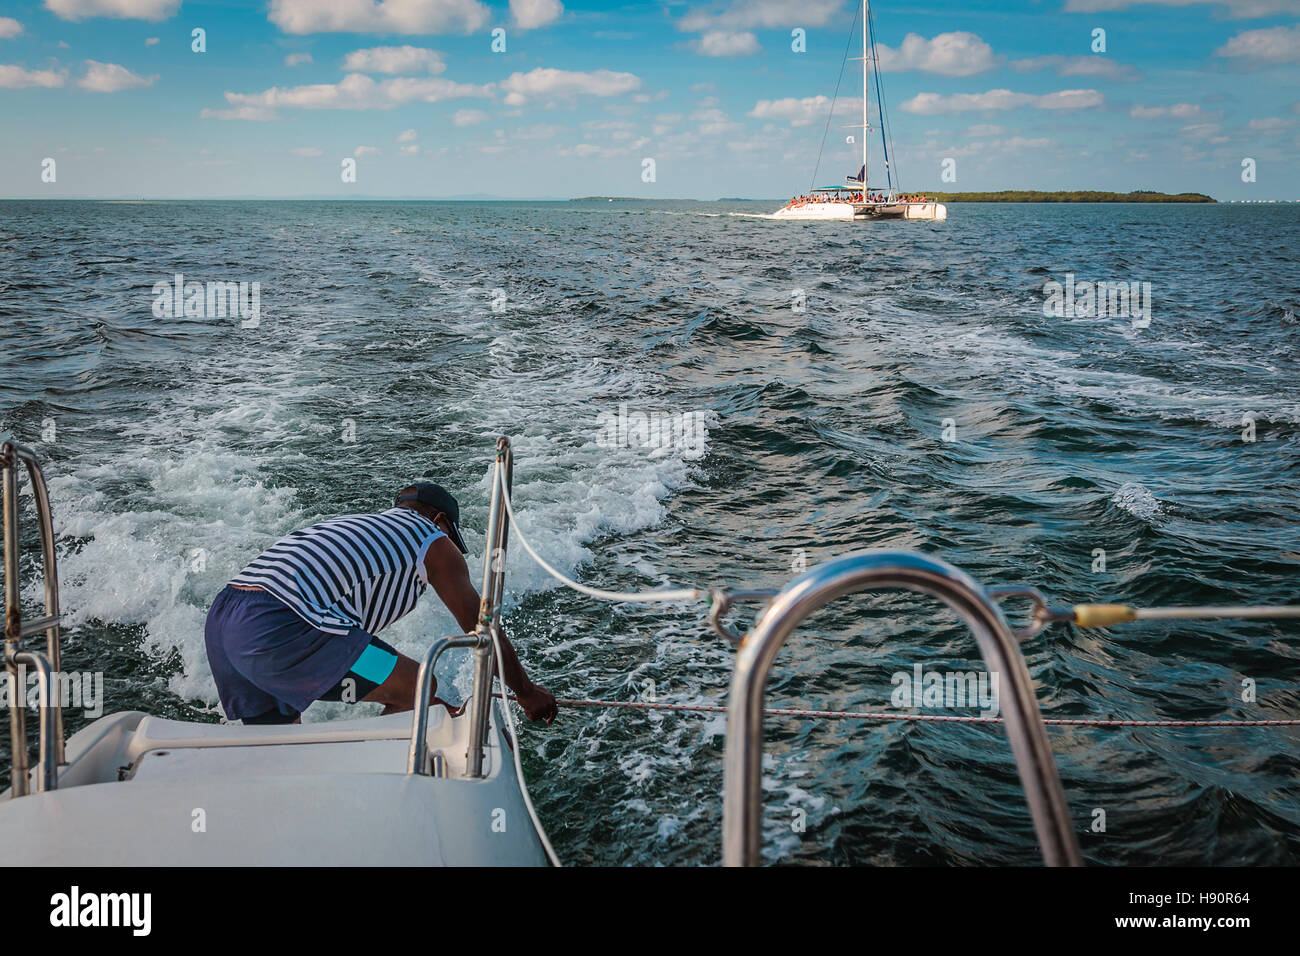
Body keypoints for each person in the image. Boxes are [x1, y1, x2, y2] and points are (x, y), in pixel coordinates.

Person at [204, 482, 558, 725]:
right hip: (284, 623)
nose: (451, 544)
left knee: (275, 745)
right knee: (419, 686)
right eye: (452, 535)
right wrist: (526, 693)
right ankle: (380, 786)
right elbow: (482, 627)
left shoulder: (362, 525)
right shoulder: (433, 540)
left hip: (224, 621)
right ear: (440, 521)